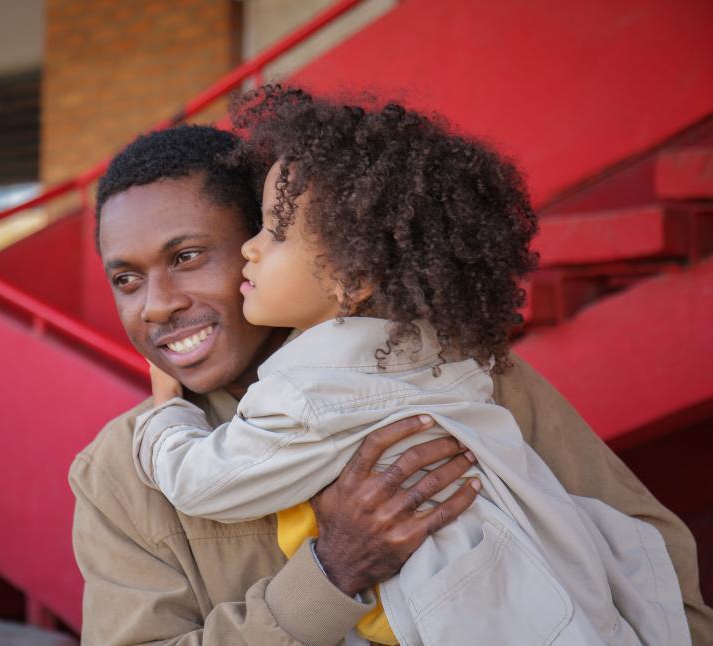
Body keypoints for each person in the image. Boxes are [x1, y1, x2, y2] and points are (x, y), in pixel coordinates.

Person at [71, 122, 712, 645]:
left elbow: (641, 548)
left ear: (259, 248)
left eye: (187, 257)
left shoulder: (456, 371)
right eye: (126, 279)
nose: (155, 305)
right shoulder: (118, 478)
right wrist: (332, 571)